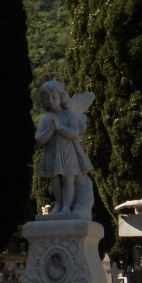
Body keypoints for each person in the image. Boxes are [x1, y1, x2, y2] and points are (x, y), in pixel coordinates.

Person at [35, 81, 93, 216]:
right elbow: (39, 139)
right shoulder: (45, 118)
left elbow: (74, 133)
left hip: (69, 152)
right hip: (52, 153)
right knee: (55, 180)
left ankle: (67, 207)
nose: (51, 101)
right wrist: (50, 130)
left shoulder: (68, 115)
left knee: (69, 179)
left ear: (61, 97)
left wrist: (59, 128)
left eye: (53, 97)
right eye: (47, 98)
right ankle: (59, 204)